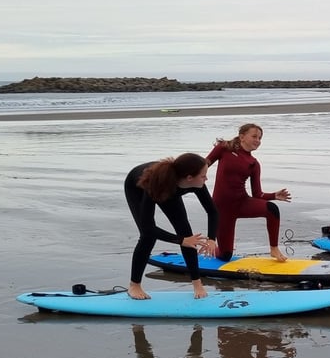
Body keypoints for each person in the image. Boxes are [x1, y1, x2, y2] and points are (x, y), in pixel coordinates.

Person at [125, 153, 219, 300]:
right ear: (189, 177)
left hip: (171, 189)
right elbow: (148, 227)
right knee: (147, 237)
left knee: (186, 233)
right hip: (138, 187)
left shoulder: (196, 183)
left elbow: (212, 211)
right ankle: (134, 285)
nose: (206, 179)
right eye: (203, 176)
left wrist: (212, 238)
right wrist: (181, 240)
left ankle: (197, 284)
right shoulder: (154, 184)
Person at [206, 123, 291, 263]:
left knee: (272, 209)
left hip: (242, 203)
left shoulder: (254, 163)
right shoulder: (224, 148)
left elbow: (257, 194)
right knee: (225, 256)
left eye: (260, 138)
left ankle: (274, 248)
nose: (258, 140)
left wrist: (273, 196)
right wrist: (195, 174)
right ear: (242, 136)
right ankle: (212, 247)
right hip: (222, 208)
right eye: (254, 136)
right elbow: (205, 163)